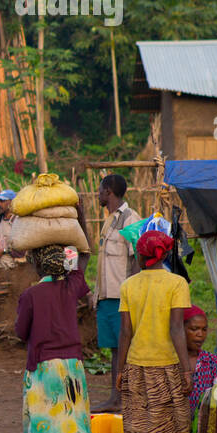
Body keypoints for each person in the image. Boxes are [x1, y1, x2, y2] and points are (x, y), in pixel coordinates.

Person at [13, 238, 94, 433]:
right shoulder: (72, 287)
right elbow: (83, 259)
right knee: (77, 428)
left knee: (43, 429)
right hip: (72, 369)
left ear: (36, 264)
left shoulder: (31, 295)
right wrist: (78, 223)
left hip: (44, 370)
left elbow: (20, 332)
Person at [117, 230, 192, 433]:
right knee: (172, 425)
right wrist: (187, 370)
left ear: (141, 254)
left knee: (137, 425)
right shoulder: (176, 283)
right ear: (165, 254)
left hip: (136, 364)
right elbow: (176, 328)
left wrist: (120, 370)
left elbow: (125, 332)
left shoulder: (128, 285)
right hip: (167, 364)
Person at [92, 174, 141, 412]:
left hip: (121, 296)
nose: (98, 194)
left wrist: (131, 293)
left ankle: (125, 398)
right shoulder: (110, 220)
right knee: (115, 349)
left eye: (100, 190)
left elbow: (138, 258)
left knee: (125, 349)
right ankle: (116, 397)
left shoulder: (130, 219)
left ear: (109, 191)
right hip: (106, 295)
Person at [185, 307, 217, 414]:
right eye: (194, 329)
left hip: (202, 427)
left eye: (204, 329)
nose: (200, 334)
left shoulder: (212, 362)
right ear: (180, 330)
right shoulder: (169, 362)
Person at [0, 190, 25, 269]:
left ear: (12, 202)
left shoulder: (17, 220)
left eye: (2, 201)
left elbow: (23, 248)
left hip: (13, 266)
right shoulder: (0, 219)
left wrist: (4, 250)